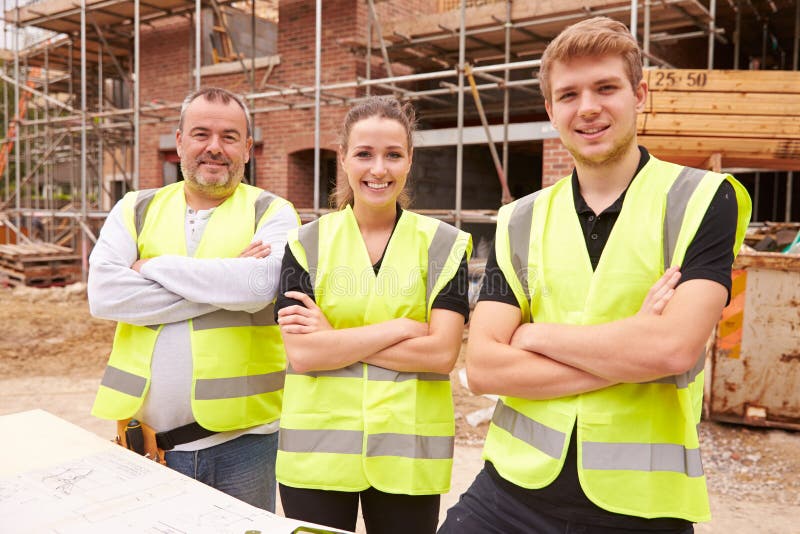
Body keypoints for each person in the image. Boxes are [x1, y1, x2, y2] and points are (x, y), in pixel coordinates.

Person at [440, 16, 751, 534]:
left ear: (639, 94)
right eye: (569, 94)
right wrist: (633, 348)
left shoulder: (702, 199)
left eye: (606, 87)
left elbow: (673, 351)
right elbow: (486, 367)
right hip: (511, 492)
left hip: (642, 505)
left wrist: (534, 334)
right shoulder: (519, 218)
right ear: (550, 110)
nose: (587, 107)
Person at [88, 87, 298, 512]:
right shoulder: (136, 207)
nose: (214, 148)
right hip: (146, 444)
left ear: (247, 147)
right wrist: (229, 283)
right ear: (180, 141)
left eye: (229, 137)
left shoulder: (273, 212)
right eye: (201, 134)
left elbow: (261, 287)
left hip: (244, 445)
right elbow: (104, 294)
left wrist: (151, 267)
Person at [274, 95, 472, 533]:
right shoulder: (305, 244)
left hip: (408, 461)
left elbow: (441, 354)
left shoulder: (444, 244)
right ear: (343, 158)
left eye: (392, 155)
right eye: (364, 154)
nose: (378, 169)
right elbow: (303, 355)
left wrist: (335, 340)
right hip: (316, 460)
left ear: (409, 160)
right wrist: (401, 328)